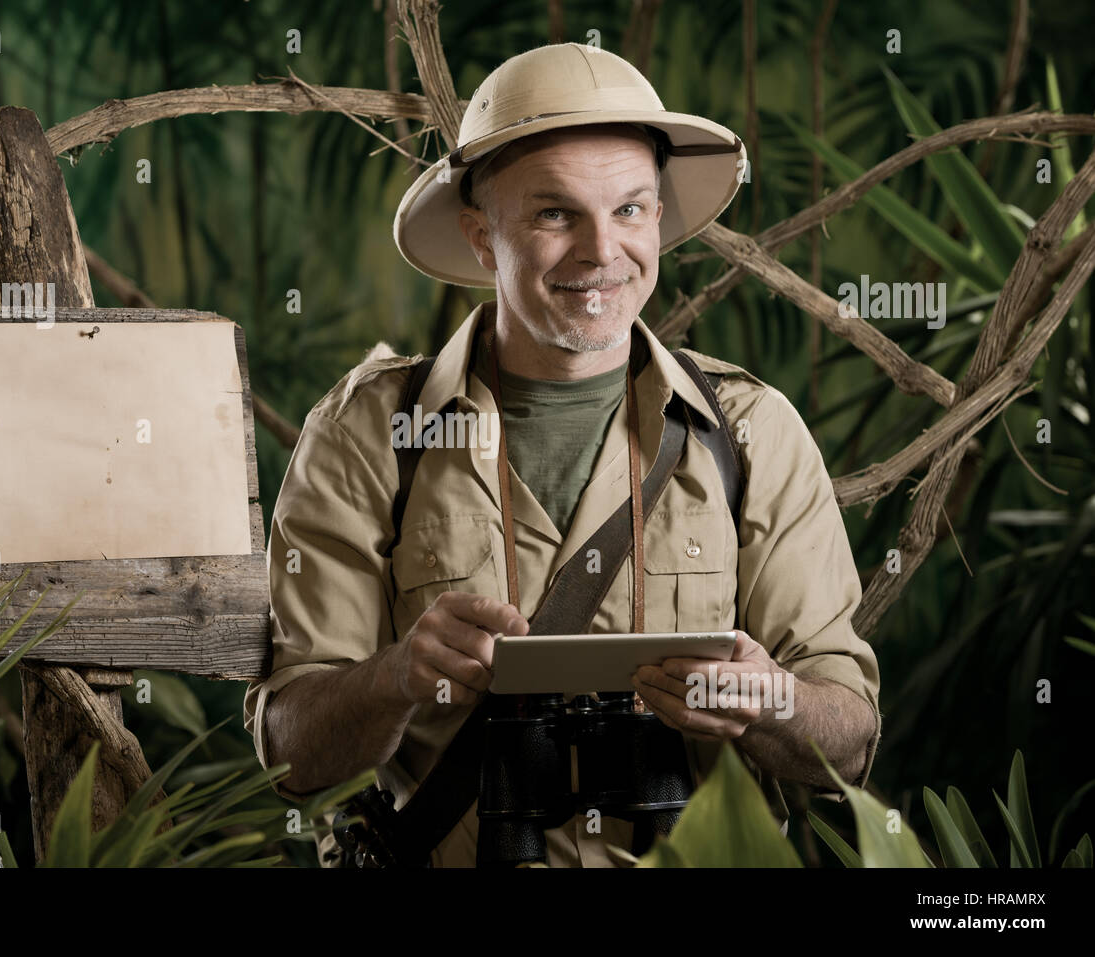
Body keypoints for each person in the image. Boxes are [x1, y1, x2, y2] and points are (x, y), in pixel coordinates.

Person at [244, 42, 880, 867]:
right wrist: (400, 675)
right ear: (481, 236)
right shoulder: (370, 433)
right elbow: (291, 753)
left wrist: (772, 701)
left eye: (630, 210)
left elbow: (852, 741)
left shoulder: (749, 431)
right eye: (555, 214)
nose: (601, 251)